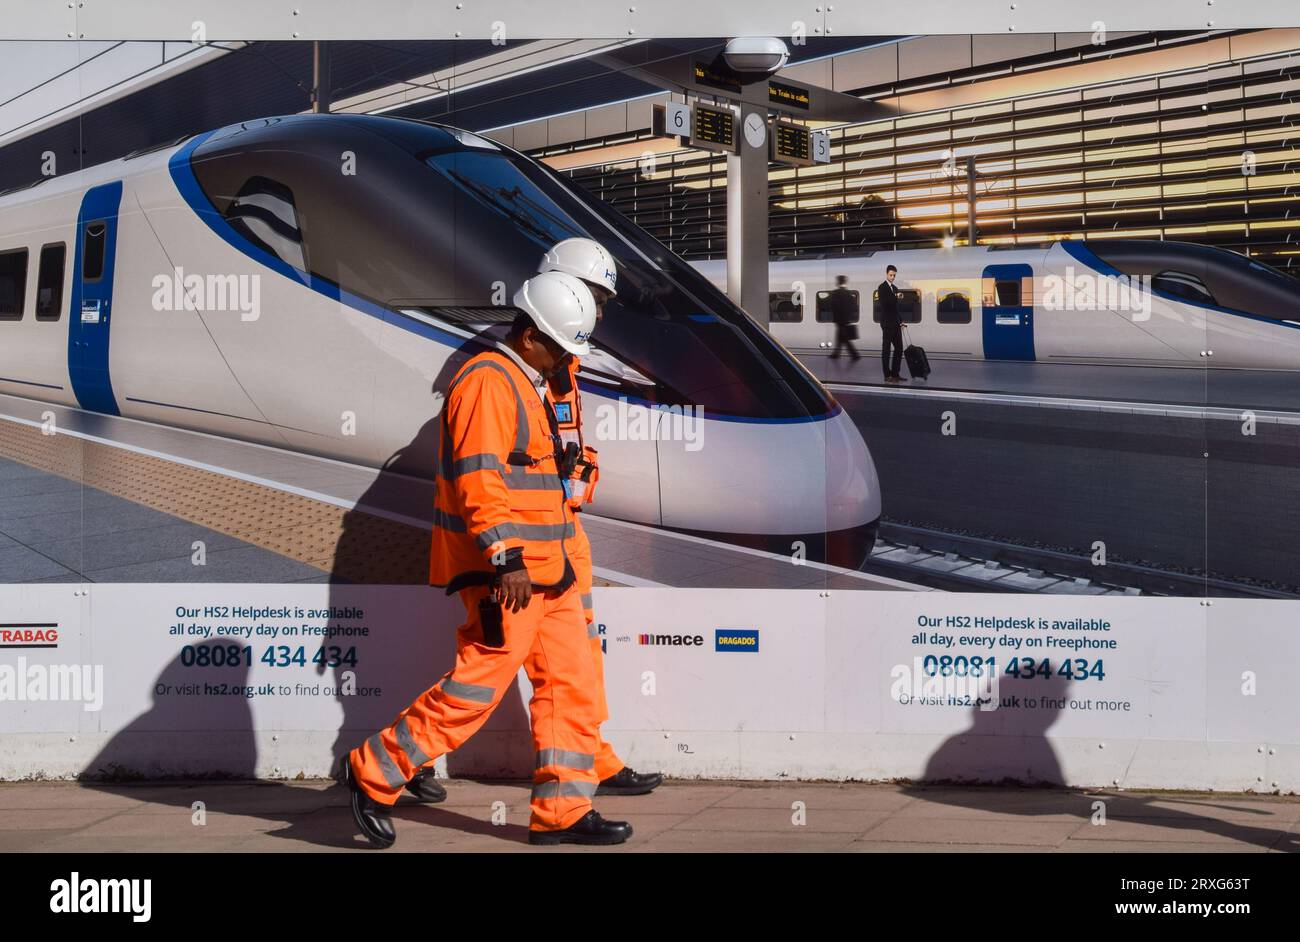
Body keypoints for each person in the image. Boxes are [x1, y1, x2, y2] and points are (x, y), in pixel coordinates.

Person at [343, 270, 633, 848]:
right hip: (513, 576)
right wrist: (506, 559)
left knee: (570, 689)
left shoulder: (524, 382)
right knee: (478, 686)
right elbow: (480, 481)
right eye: (560, 346)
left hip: (550, 575)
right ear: (530, 335)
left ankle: (564, 813)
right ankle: (374, 769)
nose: (564, 359)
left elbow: (529, 480)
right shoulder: (487, 383)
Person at [404, 237, 663, 804]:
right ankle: (395, 761)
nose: (599, 308)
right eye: (595, 295)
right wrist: (504, 553)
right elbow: (483, 473)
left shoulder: (558, 360)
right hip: (521, 547)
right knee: (489, 672)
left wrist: (576, 474)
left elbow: (551, 448)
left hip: (558, 535)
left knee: (573, 664)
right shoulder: (504, 370)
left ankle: (583, 769)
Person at [877, 264, 906, 384]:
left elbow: (896, 308)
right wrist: (895, 296)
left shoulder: (895, 288)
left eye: (894, 275)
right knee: (886, 350)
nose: (893, 277)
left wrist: (901, 320)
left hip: (895, 323)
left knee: (899, 348)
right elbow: (885, 303)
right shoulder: (882, 287)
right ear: (886, 274)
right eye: (891, 275)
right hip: (886, 323)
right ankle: (886, 375)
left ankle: (895, 373)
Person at [827, 274, 860, 362]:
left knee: (844, 337)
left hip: (839, 319)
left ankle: (855, 355)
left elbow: (833, 306)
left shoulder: (836, 293)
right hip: (846, 319)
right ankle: (836, 354)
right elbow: (853, 306)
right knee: (840, 336)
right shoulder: (849, 293)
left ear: (838, 282)